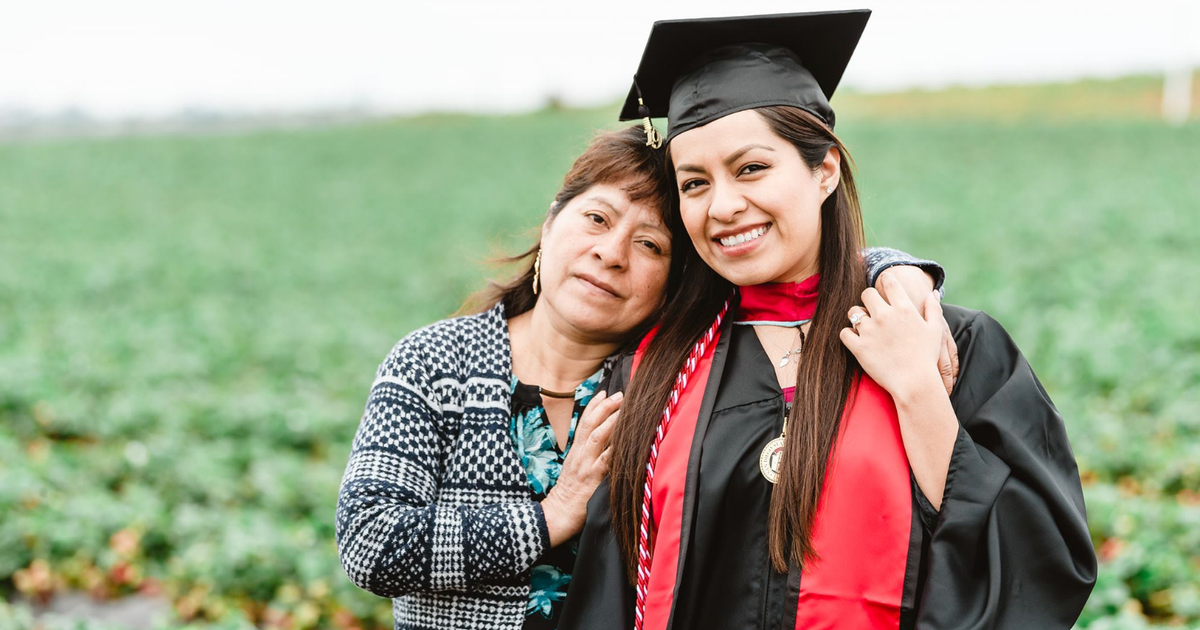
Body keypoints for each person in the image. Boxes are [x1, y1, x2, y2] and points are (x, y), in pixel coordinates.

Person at [560, 10, 1096, 630]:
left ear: (824, 170)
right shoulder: (655, 370)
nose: (725, 206)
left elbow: (1037, 563)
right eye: (694, 183)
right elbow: (608, 594)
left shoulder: (952, 344)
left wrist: (920, 392)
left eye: (752, 168)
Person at [333, 124, 949, 628]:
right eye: (596, 220)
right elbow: (370, 543)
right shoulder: (436, 362)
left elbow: (795, 264)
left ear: (675, 283)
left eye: (651, 245)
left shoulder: (675, 382)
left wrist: (892, 269)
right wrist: (552, 516)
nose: (612, 253)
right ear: (551, 225)